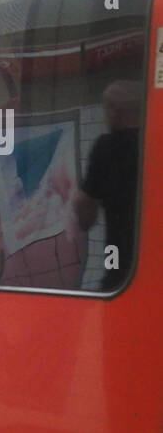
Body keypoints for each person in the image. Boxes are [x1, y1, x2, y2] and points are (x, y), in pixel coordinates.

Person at [73, 79, 141, 292]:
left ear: (114, 111)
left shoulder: (107, 147)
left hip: (119, 263)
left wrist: (82, 213)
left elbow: (84, 203)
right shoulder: (154, 141)